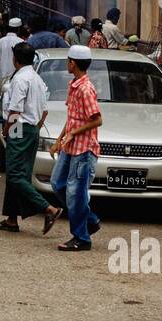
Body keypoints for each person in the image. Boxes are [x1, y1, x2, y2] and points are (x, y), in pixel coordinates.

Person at [0, 42, 64, 234]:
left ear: (15, 59)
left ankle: (49, 209)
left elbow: (15, 110)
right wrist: (35, 127)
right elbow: (45, 112)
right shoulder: (37, 79)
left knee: (15, 175)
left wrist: (8, 130)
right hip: (31, 128)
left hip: (19, 127)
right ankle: (11, 219)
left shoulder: (20, 79)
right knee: (19, 174)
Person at [51, 45, 103, 252]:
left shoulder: (85, 89)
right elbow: (72, 117)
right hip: (70, 147)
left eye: (67, 61)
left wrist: (73, 133)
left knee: (75, 193)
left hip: (84, 150)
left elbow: (97, 120)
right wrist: (60, 138)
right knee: (57, 183)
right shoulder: (74, 85)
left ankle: (81, 237)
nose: (67, 64)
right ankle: (89, 219)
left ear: (72, 63)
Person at [0, 17, 25, 93]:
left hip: (3, 75)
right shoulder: (21, 42)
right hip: (18, 76)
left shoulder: (0, 42)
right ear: (19, 29)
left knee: (3, 97)